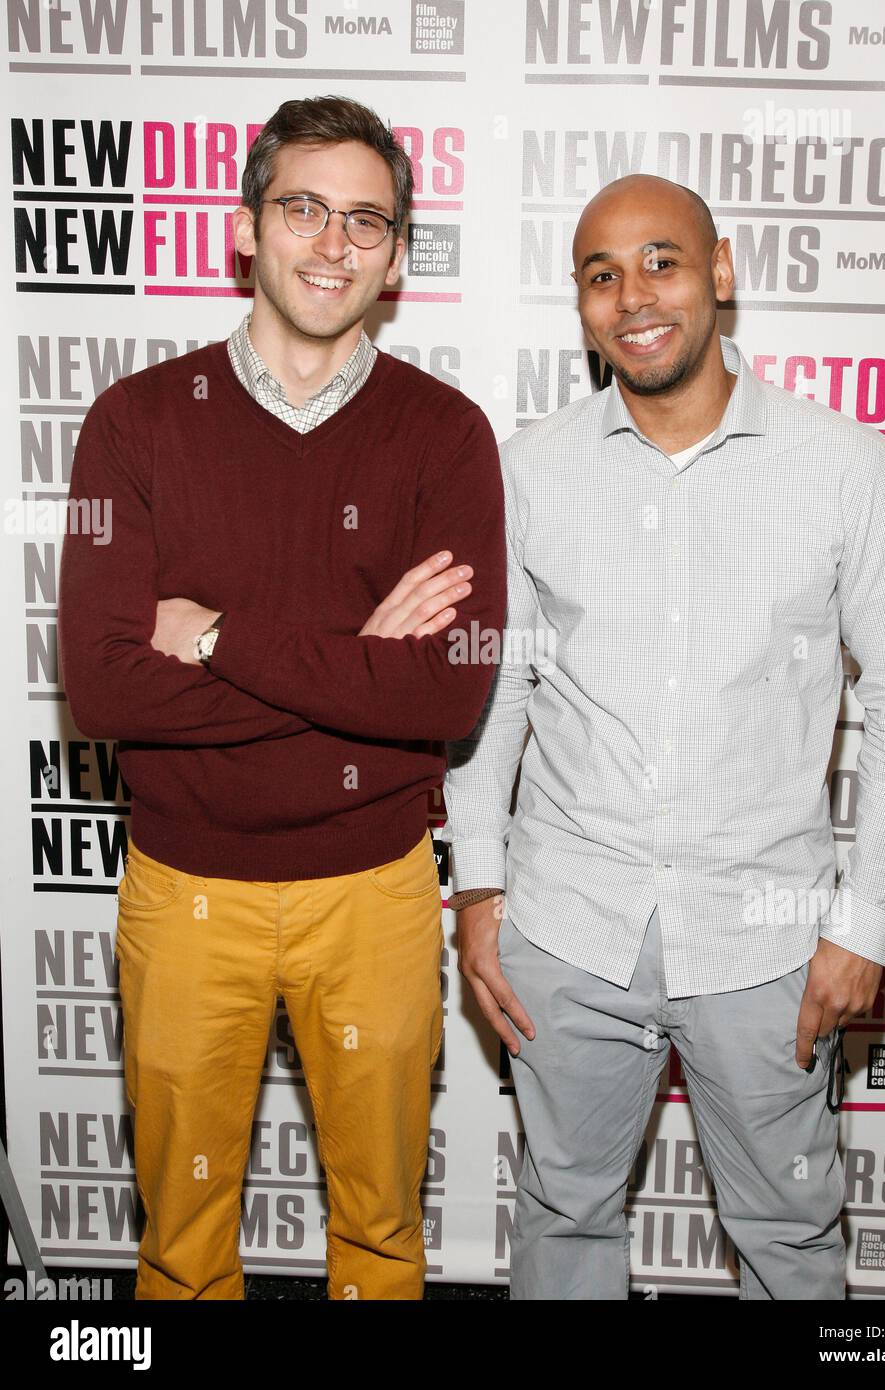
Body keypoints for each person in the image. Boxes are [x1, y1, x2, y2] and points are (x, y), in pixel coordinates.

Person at [442, 174, 885, 1300]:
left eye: (661, 261)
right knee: (560, 1214)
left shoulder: (844, 467)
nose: (633, 295)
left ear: (719, 273)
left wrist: (864, 927)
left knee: (788, 1233)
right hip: (567, 929)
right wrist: (479, 890)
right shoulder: (528, 471)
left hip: (766, 944)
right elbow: (495, 690)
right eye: (599, 274)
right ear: (579, 306)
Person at [58, 95, 506, 1301]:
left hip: (375, 894)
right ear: (245, 230)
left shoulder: (445, 434)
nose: (332, 243)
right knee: (182, 1244)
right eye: (302, 208)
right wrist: (357, 659)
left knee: (377, 1233)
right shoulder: (137, 423)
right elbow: (102, 682)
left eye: (366, 220)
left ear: (400, 256)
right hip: (184, 891)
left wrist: (214, 637)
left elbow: (452, 688)